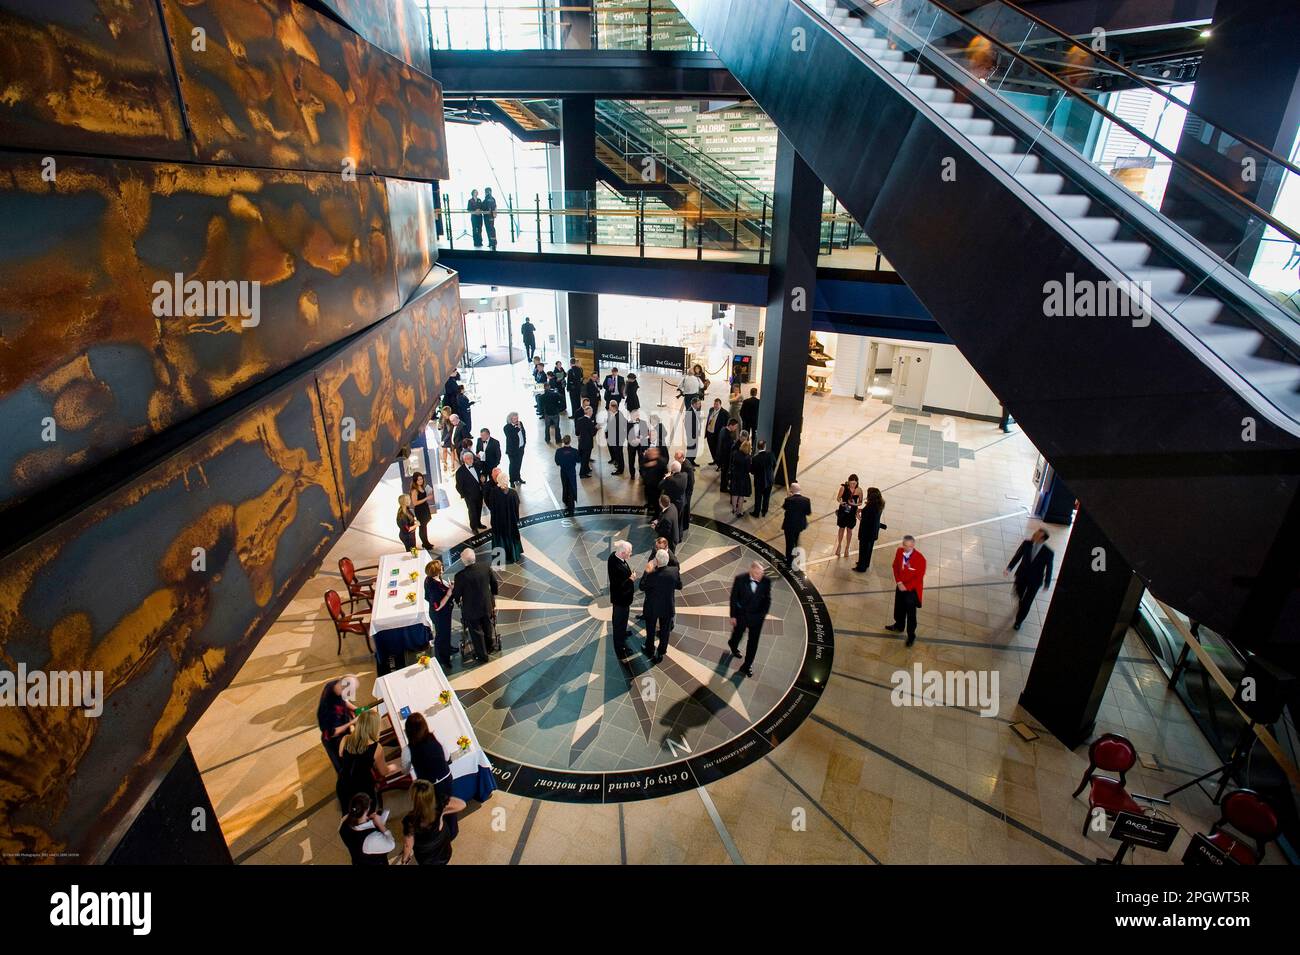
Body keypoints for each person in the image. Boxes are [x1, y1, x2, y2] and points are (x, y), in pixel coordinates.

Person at [337, 708, 400, 811]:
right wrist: (392, 767)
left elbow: (341, 755)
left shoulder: (345, 739)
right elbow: (384, 772)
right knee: (367, 811)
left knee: (347, 810)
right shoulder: (376, 748)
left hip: (344, 782)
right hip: (363, 786)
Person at [401, 779, 466, 865]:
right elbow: (462, 804)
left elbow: (408, 845)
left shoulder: (409, 820)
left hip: (426, 856)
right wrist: (443, 805)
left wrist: (404, 859)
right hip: (443, 849)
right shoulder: (439, 805)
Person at [451, 547, 499, 663]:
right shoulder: (485, 567)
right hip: (487, 605)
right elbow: (494, 583)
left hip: (471, 609)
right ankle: (490, 647)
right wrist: (493, 595)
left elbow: (457, 594)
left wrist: (457, 599)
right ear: (474, 557)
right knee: (487, 626)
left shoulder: (460, 576)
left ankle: (482, 656)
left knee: (476, 632)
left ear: (463, 561)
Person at [728, 560, 772, 678]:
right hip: (741, 616)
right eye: (757, 573)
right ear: (751, 571)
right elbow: (733, 598)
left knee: (753, 643)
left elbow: (767, 599)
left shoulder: (766, 581)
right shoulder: (740, 579)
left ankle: (747, 665)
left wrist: (762, 616)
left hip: (757, 619)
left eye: (761, 573)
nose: (760, 576)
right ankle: (733, 644)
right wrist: (733, 615)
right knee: (737, 635)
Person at [1005, 528, 1054, 631]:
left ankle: (1018, 622)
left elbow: (1049, 568)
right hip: (1021, 575)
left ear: (1042, 539)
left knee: (1027, 602)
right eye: (1035, 533)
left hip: (1035, 581)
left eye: (1037, 535)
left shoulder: (1048, 553)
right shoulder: (1027, 543)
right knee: (1019, 593)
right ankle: (1021, 602)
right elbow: (1018, 556)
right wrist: (1009, 567)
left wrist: (1047, 583)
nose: (1034, 535)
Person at [638, 548, 681, 662]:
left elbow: (641, 586)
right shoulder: (674, 571)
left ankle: (649, 648)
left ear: (656, 561)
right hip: (667, 606)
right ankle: (661, 652)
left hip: (652, 608)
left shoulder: (652, 575)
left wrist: (647, 571)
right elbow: (679, 586)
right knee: (665, 631)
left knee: (651, 629)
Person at [885, 535, 927, 646]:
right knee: (899, 607)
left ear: (913, 546)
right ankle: (899, 625)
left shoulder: (920, 559)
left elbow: (919, 578)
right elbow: (895, 566)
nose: (906, 548)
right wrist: (899, 582)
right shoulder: (899, 552)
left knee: (911, 614)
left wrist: (906, 587)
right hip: (900, 586)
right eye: (905, 545)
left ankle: (911, 635)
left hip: (912, 590)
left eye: (909, 546)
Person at [405, 711, 453, 799]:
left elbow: (405, 770)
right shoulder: (435, 738)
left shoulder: (407, 750)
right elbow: (447, 757)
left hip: (428, 788)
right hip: (446, 778)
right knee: (447, 801)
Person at [316, 676, 357, 773]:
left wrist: (355, 709)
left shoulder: (333, 686)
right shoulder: (330, 713)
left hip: (341, 733)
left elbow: (344, 701)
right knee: (345, 769)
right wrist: (351, 723)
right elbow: (332, 732)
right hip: (333, 741)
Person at [339, 793, 393, 866]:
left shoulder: (344, 824)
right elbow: (391, 844)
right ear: (367, 810)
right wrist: (380, 824)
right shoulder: (371, 838)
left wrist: (368, 820)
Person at [487, 471, 524, 563]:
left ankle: (500, 557)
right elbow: (516, 508)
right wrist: (516, 519)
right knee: (511, 537)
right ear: (507, 480)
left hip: (498, 522)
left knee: (500, 538)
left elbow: (491, 507)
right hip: (511, 522)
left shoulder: (494, 492)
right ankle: (513, 555)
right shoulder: (513, 493)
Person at [424, 559, 455, 669]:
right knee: (442, 636)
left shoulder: (428, 579)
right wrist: (449, 592)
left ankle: (448, 648)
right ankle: (443, 658)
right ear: (437, 571)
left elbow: (427, 597)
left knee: (445, 634)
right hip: (440, 615)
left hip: (442, 613)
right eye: (441, 567)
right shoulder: (435, 587)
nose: (443, 567)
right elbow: (437, 606)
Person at [607, 540, 635, 658]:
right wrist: (631, 579)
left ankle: (623, 633)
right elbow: (620, 586)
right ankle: (620, 648)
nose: (631, 554)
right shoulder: (617, 566)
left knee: (621, 620)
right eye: (629, 553)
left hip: (621, 599)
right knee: (619, 623)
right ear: (623, 553)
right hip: (621, 600)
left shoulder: (614, 556)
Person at [854, 487, 887, 573]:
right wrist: (862, 510)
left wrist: (858, 515)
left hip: (866, 532)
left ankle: (861, 567)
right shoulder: (879, 504)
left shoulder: (870, 508)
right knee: (869, 549)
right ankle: (866, 563)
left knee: (863, 549)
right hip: (873, 532)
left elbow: (865, 520)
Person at [782, 482, 812, 565]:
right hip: (800, 524)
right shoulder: (806, 500)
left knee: (789, 543)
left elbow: (784, 507)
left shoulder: (789, 500)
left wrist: (788, 497)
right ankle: (795, 552)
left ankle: (789, 561)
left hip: (789, 525)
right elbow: (808, 512)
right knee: (796, 538)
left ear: (792, 490)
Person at [455, 451, 486, 533]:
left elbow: (481, 475)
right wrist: (464, 495)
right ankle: (474, 527)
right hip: (469, 496)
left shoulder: (476, 466)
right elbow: (458, 486)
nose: (471, 460)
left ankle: (479, 523)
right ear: (464, 460)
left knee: (479, 509)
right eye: (468, 459)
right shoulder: (460, 472)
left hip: (479, 492)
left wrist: (482, 479)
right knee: (472, 511)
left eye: (471, 458)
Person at [834, 474, 863, 557]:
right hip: (843, 510)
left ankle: (847, 547)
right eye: (851, 483)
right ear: (848, 482)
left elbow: (860, 502)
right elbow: (838, 498)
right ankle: (839, 545)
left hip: (852, 511)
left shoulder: (859, 490)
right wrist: (840, 502)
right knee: (841, 528)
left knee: (849, 530)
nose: (852, 485)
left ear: (857, 482)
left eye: (854, 483)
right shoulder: (843, 488)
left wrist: (855, 504)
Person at [554, 435, 581, 516]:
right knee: (572, 488)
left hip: (563, 472)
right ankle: (571, 507)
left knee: (565, 486)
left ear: (563, 441)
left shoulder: (559, 451)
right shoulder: (575, 451)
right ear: (570, 441)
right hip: (572, 472)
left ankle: (565, 500)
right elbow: (578, 460)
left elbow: (557, 462)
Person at [749, 440, 774, 517]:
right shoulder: (771, 455)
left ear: (757, 447)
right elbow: (774, 464)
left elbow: (752, 471)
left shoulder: (755, 459)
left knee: (758, 498)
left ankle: (756, 513)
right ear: (765, 446)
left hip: (759, 482)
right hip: (769, 480)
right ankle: (764, 511)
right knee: (767, 497)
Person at [729, 438, 752, 517]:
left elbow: (732, 463)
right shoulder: (748, 458)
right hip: (743, 478)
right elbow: (748, 469)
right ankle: (739, 512)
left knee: (734, 493)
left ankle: (734, 509)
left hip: (735, 476)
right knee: (741, 495)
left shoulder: (735, 453)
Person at [409, 472, 433, 551]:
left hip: (424, 508)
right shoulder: (414, 490)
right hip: (420, 510)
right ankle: (426, 544)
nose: (420, 480)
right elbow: (415, 503)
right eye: (418, 479)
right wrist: (426, 498)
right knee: (422, 527)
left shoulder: (422, 487)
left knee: (424, 526)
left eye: (421, 478)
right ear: (415, 480)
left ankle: (425, 542)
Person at [641, 446, 666, 517]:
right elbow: (642, 467)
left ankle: (656, 516)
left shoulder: (661, 462)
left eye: (652, 453)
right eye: (649, 453)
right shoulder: (646, 459)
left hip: (656, 487)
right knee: (648, 497)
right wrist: (647, 465)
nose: (650, 454)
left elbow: (665, 474)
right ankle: (649, 505)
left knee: (655, 502)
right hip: (647, 485)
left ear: (656, 453)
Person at [674, 450, 696, 532]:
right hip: (685, 489)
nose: (675, 460)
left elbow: (691, 481)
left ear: (682, 457)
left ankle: (685, 525)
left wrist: (685, 490)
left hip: (687, 490)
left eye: (676, 458)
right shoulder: (683, 463)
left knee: (686, 507)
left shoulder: (687, 467)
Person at [503, 412, 527, 487]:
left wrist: (524, 443)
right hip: (512, 450)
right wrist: (518, 428)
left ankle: (518, 477)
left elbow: (523, 433)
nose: (517, 420)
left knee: (519, 464)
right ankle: (512, 480)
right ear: (510, 419)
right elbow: (512, 437)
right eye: (515, 418)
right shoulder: (507, 427)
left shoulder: (520, 423)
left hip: (520, 448)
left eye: (517, 418)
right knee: (513, 465)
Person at [605, 400, 626, 475]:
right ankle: (617, 463)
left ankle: (620, 469)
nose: (609, 408)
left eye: (610, 407)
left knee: (619, 454)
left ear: (614, 407)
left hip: (617, 439)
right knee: (617, 453)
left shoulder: (618, 417)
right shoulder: (613, 414)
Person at [575, 405, 596, 478]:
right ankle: (582, 474)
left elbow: (577, 432)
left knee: (585, 458)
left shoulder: (579, 420)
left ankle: (586, 469)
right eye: (592, 411)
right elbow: (592, 433)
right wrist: (596, 428)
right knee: (585, 459)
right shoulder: (589, 421)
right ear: (589, 412)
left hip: (581, 443)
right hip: (587, 443)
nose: (592, 413)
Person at [626, 411, 649, 480]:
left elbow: (646, 433)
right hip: (631, 444)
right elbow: (626, 434)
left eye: (637, 415)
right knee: (631, 460)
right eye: (634, 415)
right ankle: (632, 474)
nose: (636, 417)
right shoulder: (628, 423)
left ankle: (641, 472)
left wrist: (640, 439)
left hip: (640, 445)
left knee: (641, 459)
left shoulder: (643, 423)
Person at [717, 418, 738, 491]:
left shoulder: (723, 429)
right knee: (725, 473)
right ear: (731, 425)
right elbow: (727, 449)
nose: (735, 428)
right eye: (735, 426)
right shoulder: (727, 435)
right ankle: (723, 488)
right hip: (725, 458)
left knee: (724, 473)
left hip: (720, 456)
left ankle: (724, 486)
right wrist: (734, 444)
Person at [685, 397, 703, 465]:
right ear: (694, 404)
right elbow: (687, 426)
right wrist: (691, 437)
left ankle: (692, 461)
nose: (699, 405)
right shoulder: (689, 412)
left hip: (695, 434)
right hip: (692, 436)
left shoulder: (695, 410)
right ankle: (688, 464)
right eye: (698, 404)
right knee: (690, 450)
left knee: (695, 449)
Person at [438, 405, 456, 474]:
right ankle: (445, 464)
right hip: (444, 435)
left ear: (448, 413)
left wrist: (444, 440)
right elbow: (439, 426)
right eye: (442, 413)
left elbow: (450, 432)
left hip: (450, 436)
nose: (443, 414)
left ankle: (453, 465)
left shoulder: (451, 419)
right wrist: (439, 426)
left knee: (452, 451)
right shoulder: (442, 418)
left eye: (444, 413)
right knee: (444, 450)